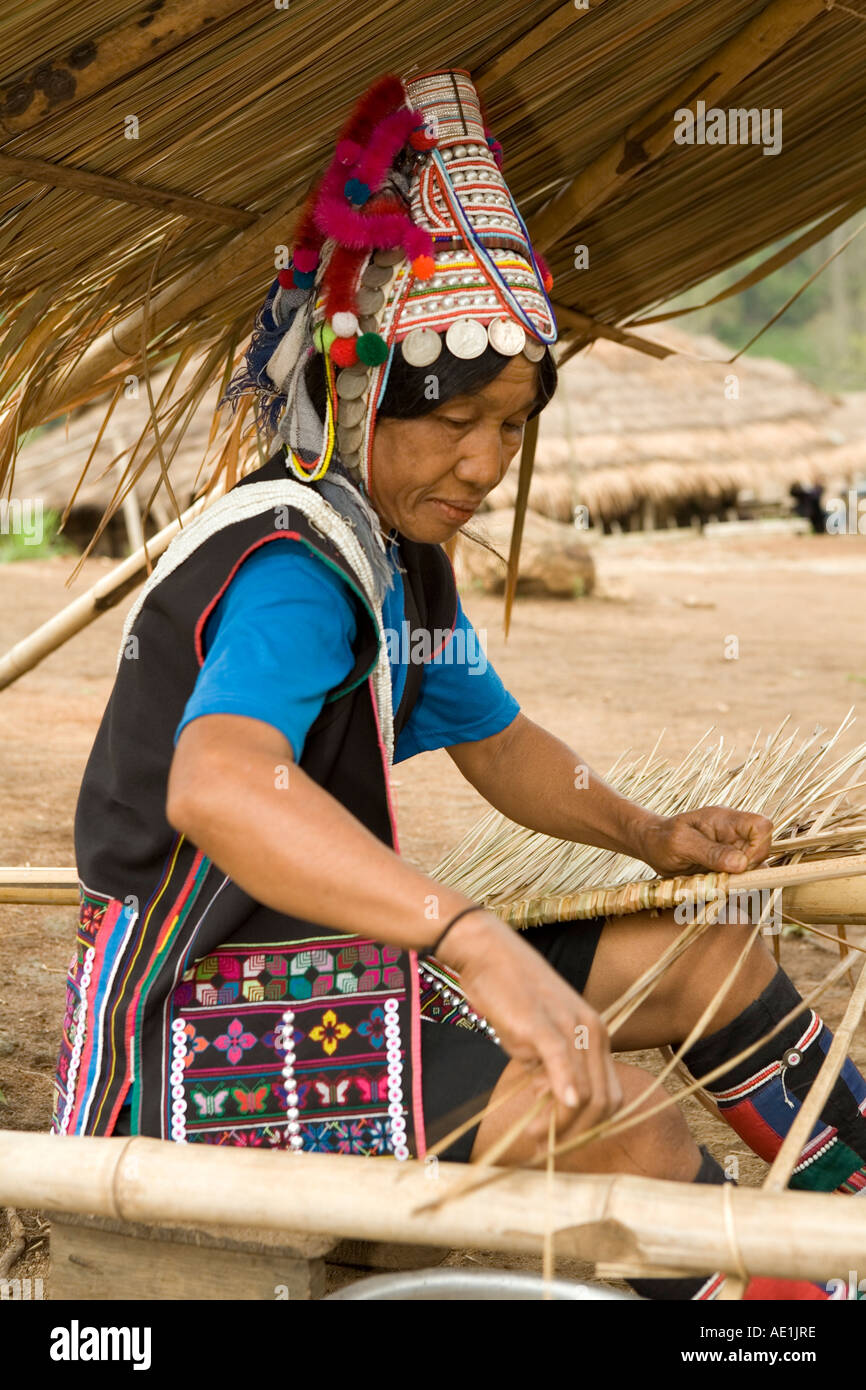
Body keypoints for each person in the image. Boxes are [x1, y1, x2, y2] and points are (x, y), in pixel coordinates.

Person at [53, 69, 866, 1301]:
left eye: (508, 426)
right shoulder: (289, 568)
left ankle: (845, 1227)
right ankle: (777, 1319)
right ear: (361, 392)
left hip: (341, 961)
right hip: (202, 1017)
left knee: (714, 960)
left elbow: (497, 743)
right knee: (622, 1124)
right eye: (454, 421)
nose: (483, 461)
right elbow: (219, 785)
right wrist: (472, 939)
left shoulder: (399, 560)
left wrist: (650, 833)